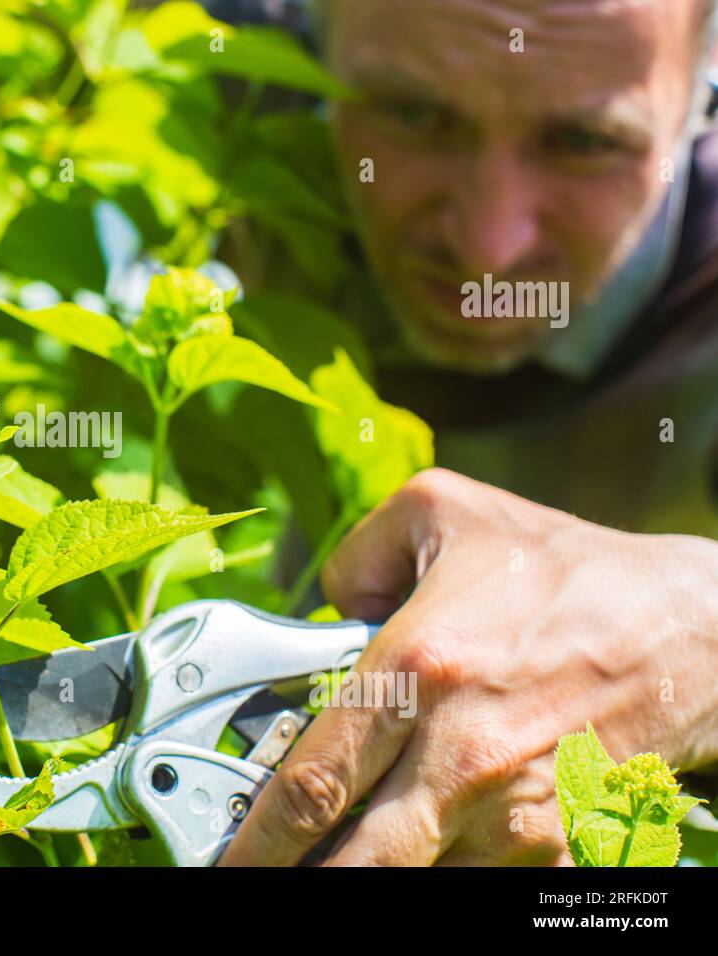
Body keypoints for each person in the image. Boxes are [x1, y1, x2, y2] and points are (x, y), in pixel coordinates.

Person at [221, 0, 718, 866]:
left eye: (585, 141)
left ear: (700, 98)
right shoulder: (205, 70)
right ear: (306, 34)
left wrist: (694, 623)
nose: (489, 249)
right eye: (414, 115)